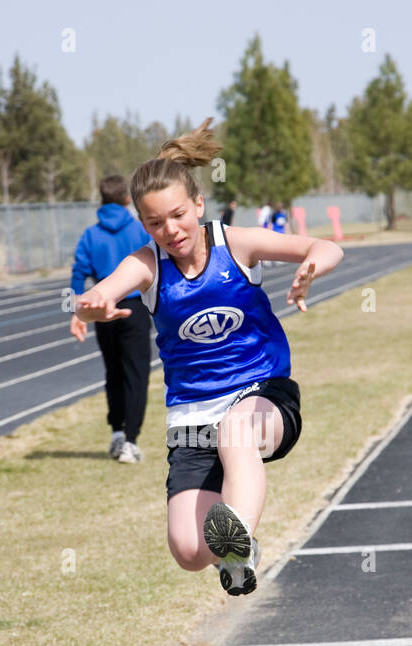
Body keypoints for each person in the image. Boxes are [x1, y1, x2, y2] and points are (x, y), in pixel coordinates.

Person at [71, 119, 343, 596]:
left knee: (238, 431)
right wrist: (90, 307)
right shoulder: (146, 265)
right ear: (143, 224)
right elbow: (97, 293)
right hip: (193, 416)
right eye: (155, 223)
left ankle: (241, 551)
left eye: (178, 216)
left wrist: (310, 268)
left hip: (262, 394)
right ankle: (225, 548)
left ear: (199, 204)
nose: (170, 230)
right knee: (190, 550)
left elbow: (326, 246)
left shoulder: (235, 245)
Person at [70, 174, 154, 464]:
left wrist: (76, 310)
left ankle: (116, 432)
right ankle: (130, 440)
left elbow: (79, 271)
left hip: (100, 307)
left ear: (102, 199)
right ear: (128, 199)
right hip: (134, 306)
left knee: (113, 371)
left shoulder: (90, 235)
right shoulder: (141, 230)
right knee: (137, 373)